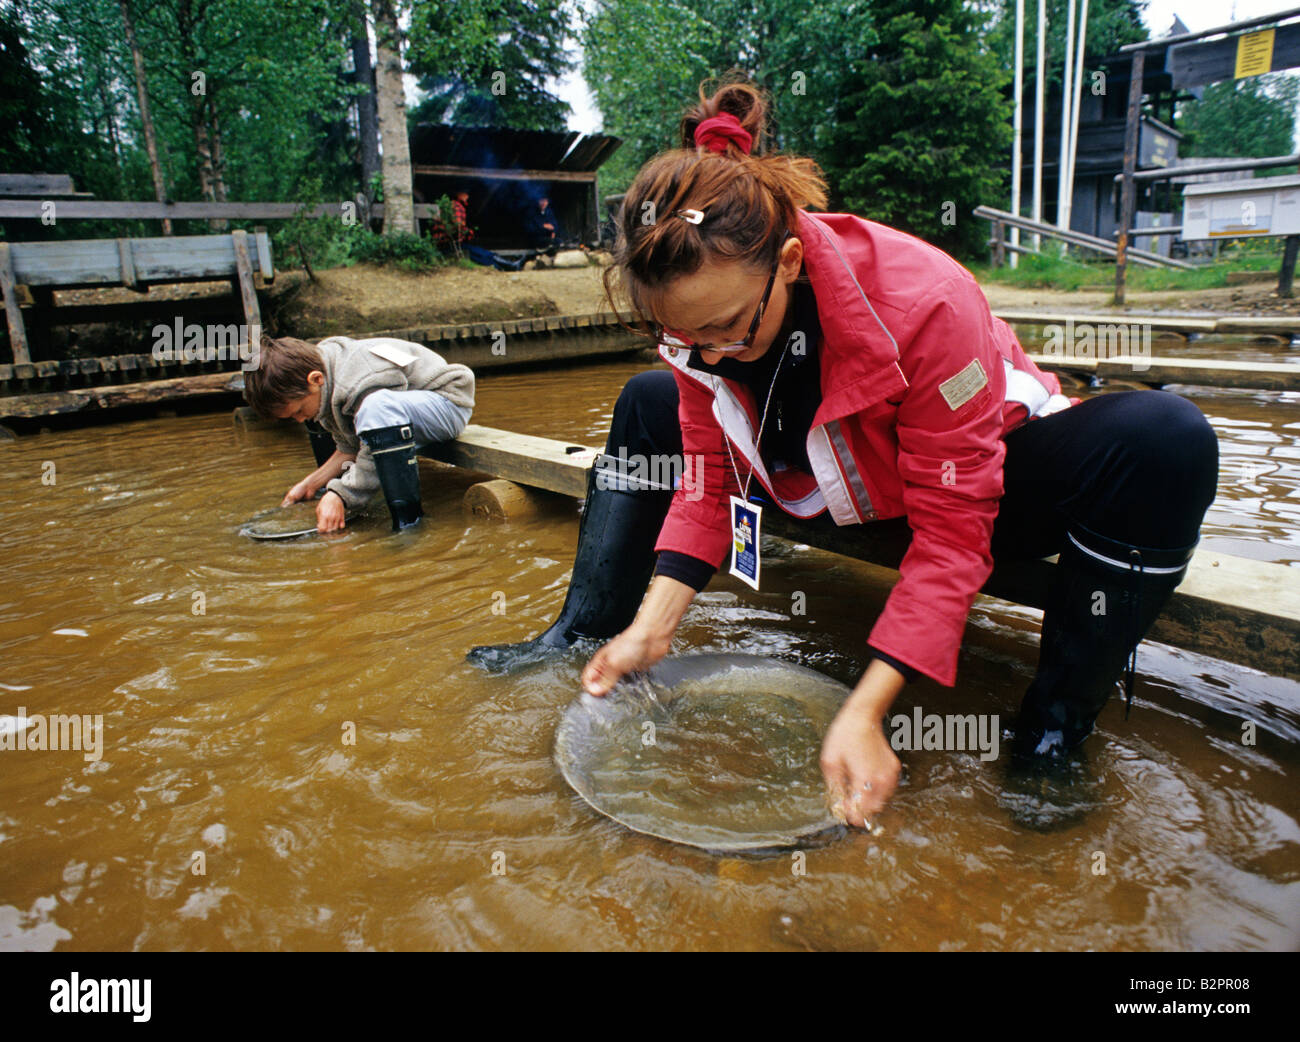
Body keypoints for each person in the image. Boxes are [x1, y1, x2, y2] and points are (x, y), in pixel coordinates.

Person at [467, 82, 1218, 827]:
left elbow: (956, 529)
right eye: (687, 340)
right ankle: (587, 628)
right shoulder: (698, 335)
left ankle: (1052, 734)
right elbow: (707, 479)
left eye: (731, 329)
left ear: (788, 261)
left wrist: (867, 707)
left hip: (965, 483)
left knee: (1165, 441)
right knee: (643, 399)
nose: (712, 358)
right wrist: (655, 627)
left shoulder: (928, 303)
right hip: (818, 476)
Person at [244, 334, 475, 533]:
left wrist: (341, 494)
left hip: (447, 405)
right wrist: (310, 484)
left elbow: (370, 446)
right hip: (399, 413)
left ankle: (409, 524)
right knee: (358, 414)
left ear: (315, 379)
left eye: (299, 411)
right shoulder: (326, 382)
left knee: (377, 406)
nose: (301, 419)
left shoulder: (362, 380)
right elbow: (349, 448)